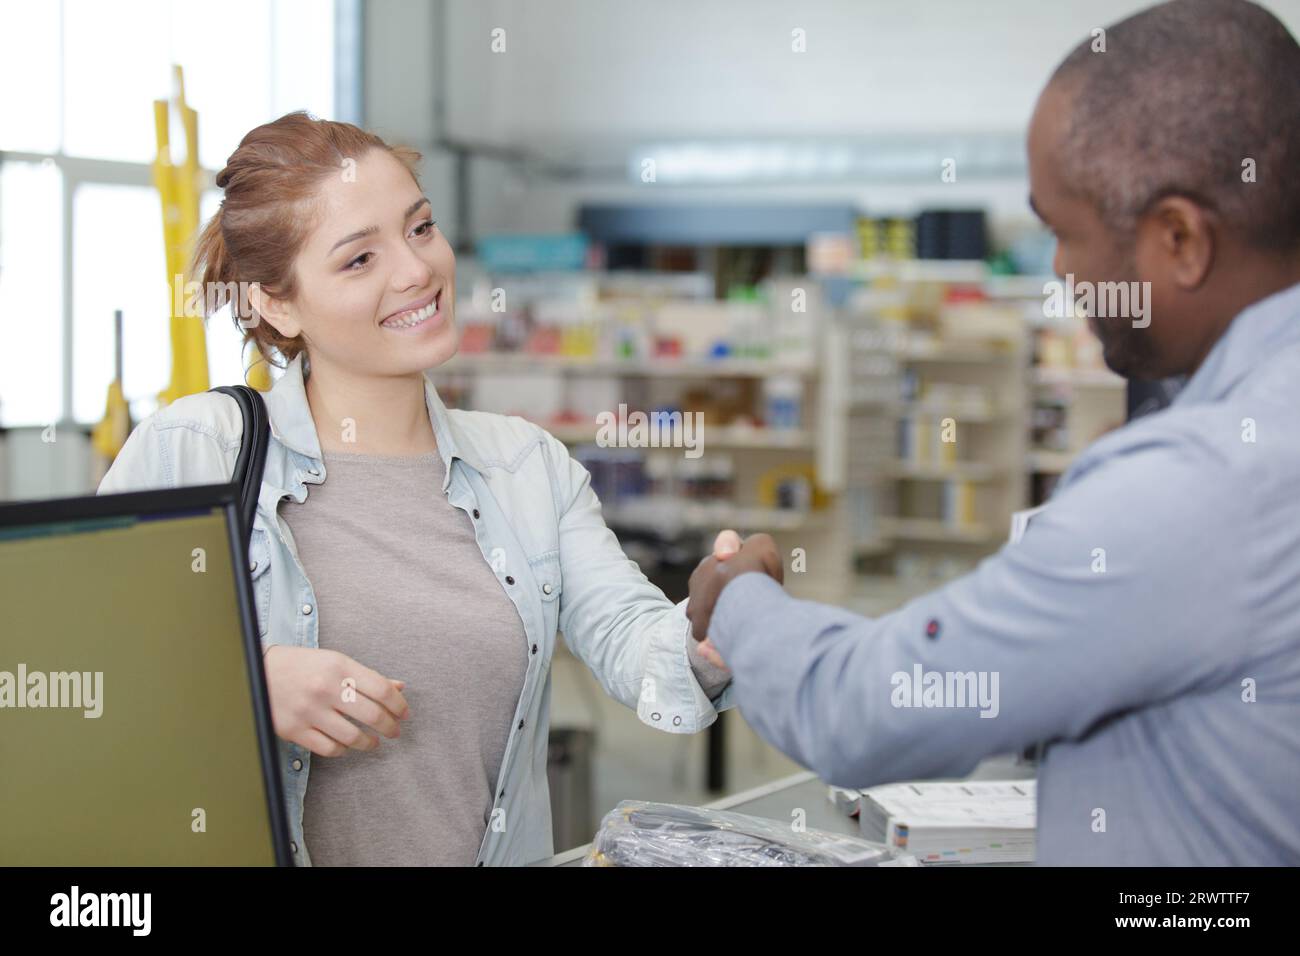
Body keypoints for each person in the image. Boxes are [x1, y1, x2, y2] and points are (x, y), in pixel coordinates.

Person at [687, 0, 1300, 865]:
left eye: (1064, 232)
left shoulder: (1200, 485)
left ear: (1178, 239)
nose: (1059, 270)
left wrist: (741, 593)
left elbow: (868, 710)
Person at [98, 112, 732, 866]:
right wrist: (245, 683)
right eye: (360, 259)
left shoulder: (526, 467)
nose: (415, 271)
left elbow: (635, 647)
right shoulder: (198, 452)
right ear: (276, 301)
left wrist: (707, 640)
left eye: (421, 228)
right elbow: (78, 675)